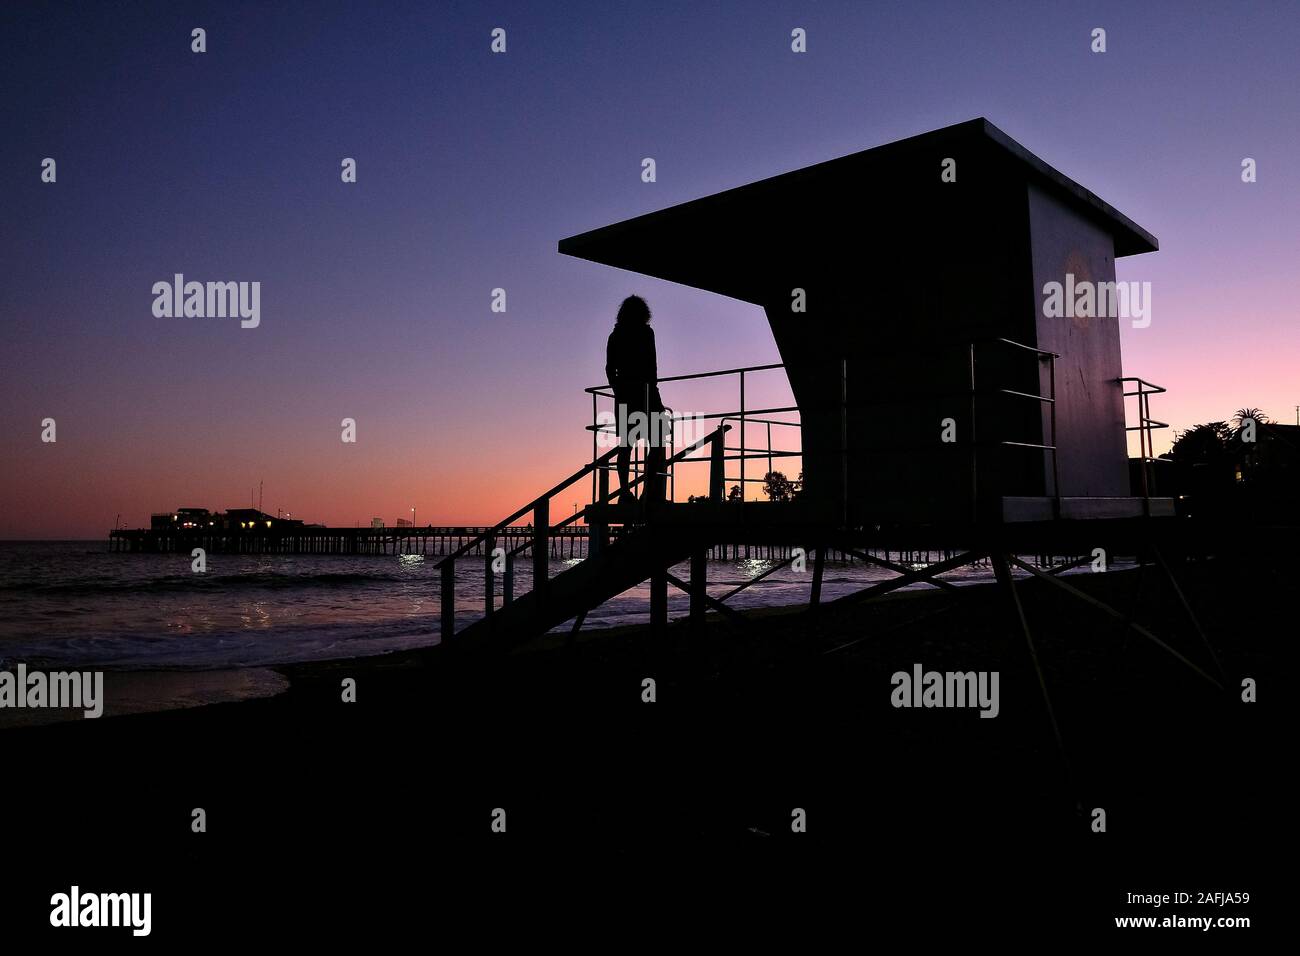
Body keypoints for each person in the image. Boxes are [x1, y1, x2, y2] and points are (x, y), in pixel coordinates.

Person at [605, 295, 666, 506]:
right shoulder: (646, 333)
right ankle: (648, 491)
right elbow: (652, 363)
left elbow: (609, 369)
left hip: (625, 394)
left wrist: (617, 389)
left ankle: (625, 492)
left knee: (626, 445)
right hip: (646, 391)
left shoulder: (615, 336)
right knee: (657, 442)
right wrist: (651, 387)